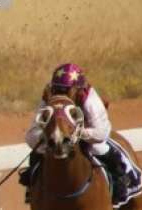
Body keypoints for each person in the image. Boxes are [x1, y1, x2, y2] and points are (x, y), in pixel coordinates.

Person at [19, 63, 130, 202]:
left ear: (77, 90)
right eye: (57, 89)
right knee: (37, 152)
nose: (60, 94)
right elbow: (31, 134)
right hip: (59, 135)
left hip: (86, 132)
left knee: (100, 148)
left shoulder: (90, 100)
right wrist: (46, 137)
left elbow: (102, 132)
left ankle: (121, 182)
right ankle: (32, 185)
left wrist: (80, 134)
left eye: (65, 91)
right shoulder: (48, 96)